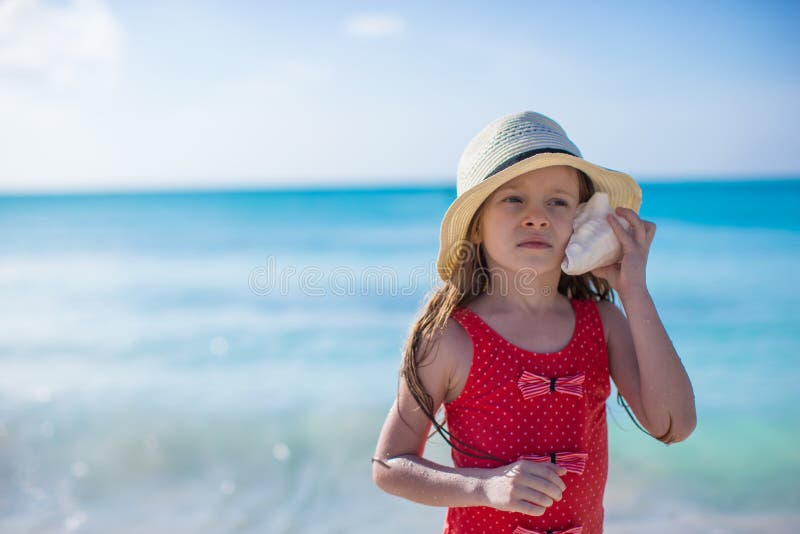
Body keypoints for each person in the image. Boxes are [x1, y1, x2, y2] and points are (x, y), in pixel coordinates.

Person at [371, 111, 696, 534]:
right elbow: (390, 465)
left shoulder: (603, 324)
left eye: (557, 201)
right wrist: (486, 487)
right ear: (475, 226)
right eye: (513, 199)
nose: (537, 216)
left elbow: (676, 425)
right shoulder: (451, 338)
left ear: (580, 220)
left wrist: (635, 292)